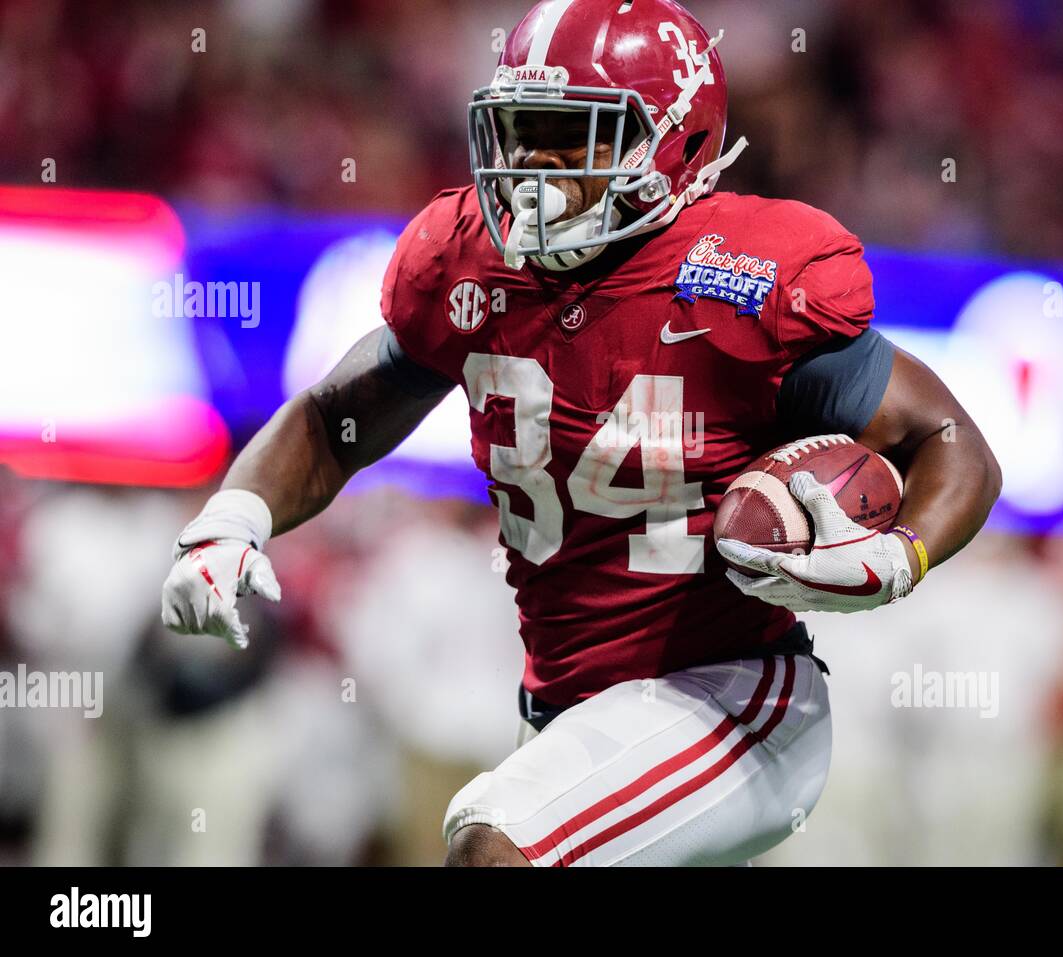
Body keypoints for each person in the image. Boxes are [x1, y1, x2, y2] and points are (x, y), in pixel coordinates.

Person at [160, 0, 1000, 867]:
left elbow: (950, 440)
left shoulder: (740, 280)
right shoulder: (468, 263)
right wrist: (235, 516)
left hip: (733, 696)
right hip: (569, 710)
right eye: (521, 132)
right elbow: (335, 421)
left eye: (573, 137)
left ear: (673, 146)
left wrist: (903, 554)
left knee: (492, 848)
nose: (532, 168)